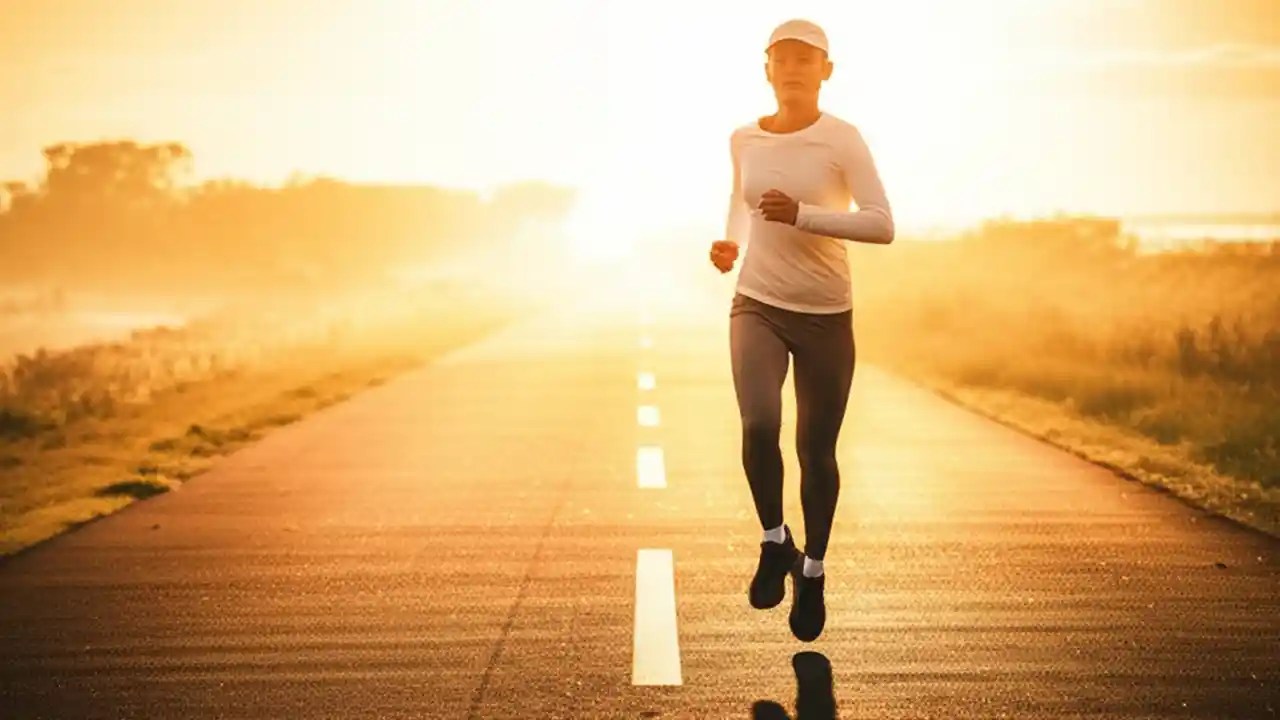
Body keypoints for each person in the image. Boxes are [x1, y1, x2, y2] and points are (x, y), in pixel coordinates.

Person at [709, 18, 894, 642]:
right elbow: (741, 198)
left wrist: (807, 216)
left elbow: (881, 223)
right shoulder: (743, 137)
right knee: (760, 424)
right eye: (781, 58)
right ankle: (773, 541)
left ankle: (812, 569)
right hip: (757, 301)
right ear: (766, 69)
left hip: (825, 314)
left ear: (826, 71)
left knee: (816, 452)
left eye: (806, 59)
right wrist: (729, 243)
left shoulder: (842, 139)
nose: (792, 67)